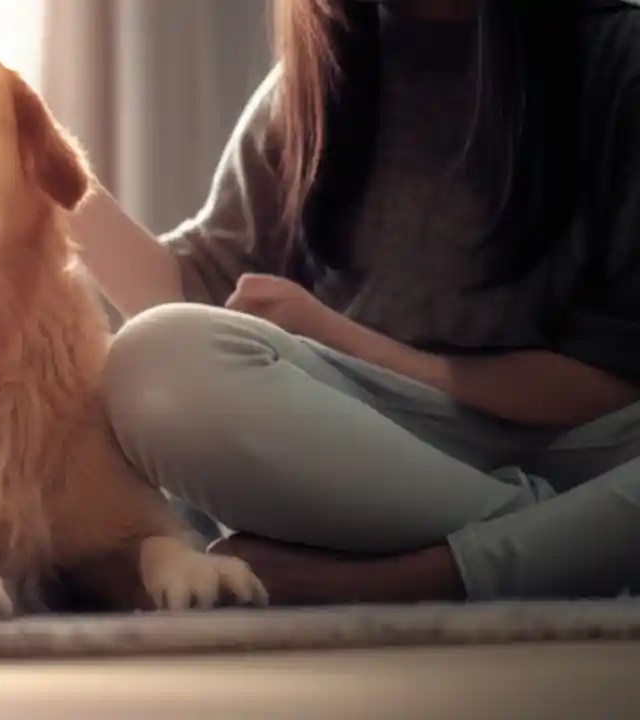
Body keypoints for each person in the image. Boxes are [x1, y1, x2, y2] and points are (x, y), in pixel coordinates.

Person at [72, 0, 640, 604]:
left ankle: (396, 577)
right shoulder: (319, 75)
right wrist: (35, 157)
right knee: (151, 363)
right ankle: (554, 541)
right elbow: (182, 299)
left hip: (577, 443)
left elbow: (609, 381)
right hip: (376, 453)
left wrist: (339, 337)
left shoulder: (618, 54)